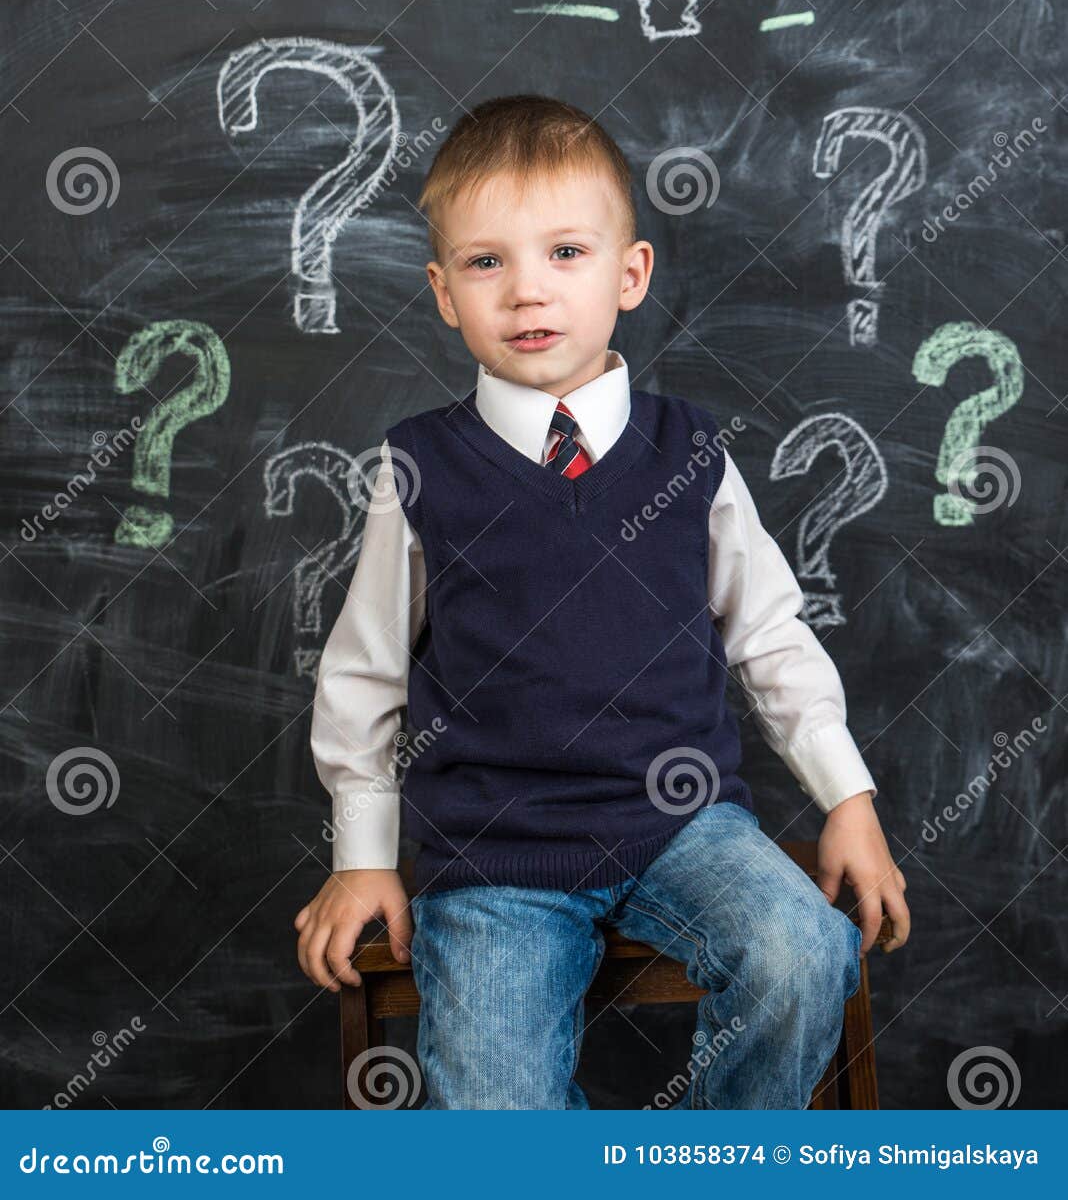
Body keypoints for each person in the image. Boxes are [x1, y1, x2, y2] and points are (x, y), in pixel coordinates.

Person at [295, 94, 910, 1109]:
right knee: (490, 1109)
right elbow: (363, 676)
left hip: (684, 825)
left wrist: (848, 798)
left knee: (803, 951)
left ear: (630, 274)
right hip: (495, 854)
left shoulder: (689, 453)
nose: (527, 290)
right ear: (443, 293)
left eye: (566, 253)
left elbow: (769, 634)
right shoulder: (420, 467)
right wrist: (363, 857)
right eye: (486, 262)